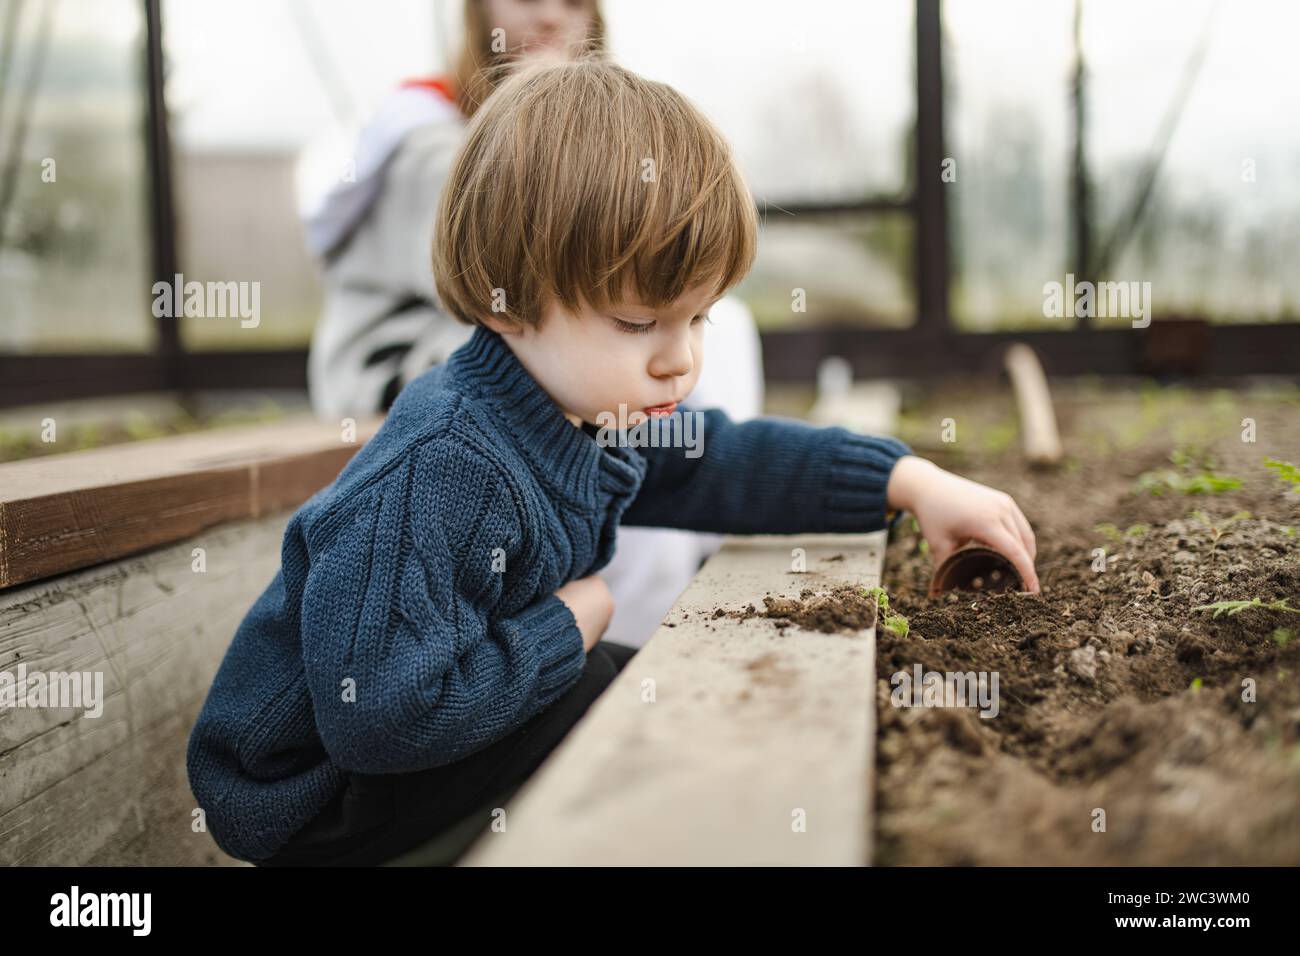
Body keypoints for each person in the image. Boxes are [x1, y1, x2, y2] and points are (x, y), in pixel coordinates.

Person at [188, 57, 1039, 867]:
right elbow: (378, 718)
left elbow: (721, 460)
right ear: (509, 295)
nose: (681, 360)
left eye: (700, 318)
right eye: (639, 323)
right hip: (329, 803)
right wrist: (569, 624)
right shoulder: (443, 466)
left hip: (440, 727)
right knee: (625, 700)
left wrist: (906, 478)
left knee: (664, 695)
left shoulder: (591, 408)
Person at [299, 0, 760, 648]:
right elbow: (493, 277)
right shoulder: (427, 135)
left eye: (572, 2)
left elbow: (702, 441)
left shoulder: (593, 140)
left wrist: (892, 477)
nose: (549, 18)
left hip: (531, 352)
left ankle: (687, 569)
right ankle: (638, 623)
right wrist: (560, 634)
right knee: (619, 419)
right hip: (411, 363)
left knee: (719, 342)